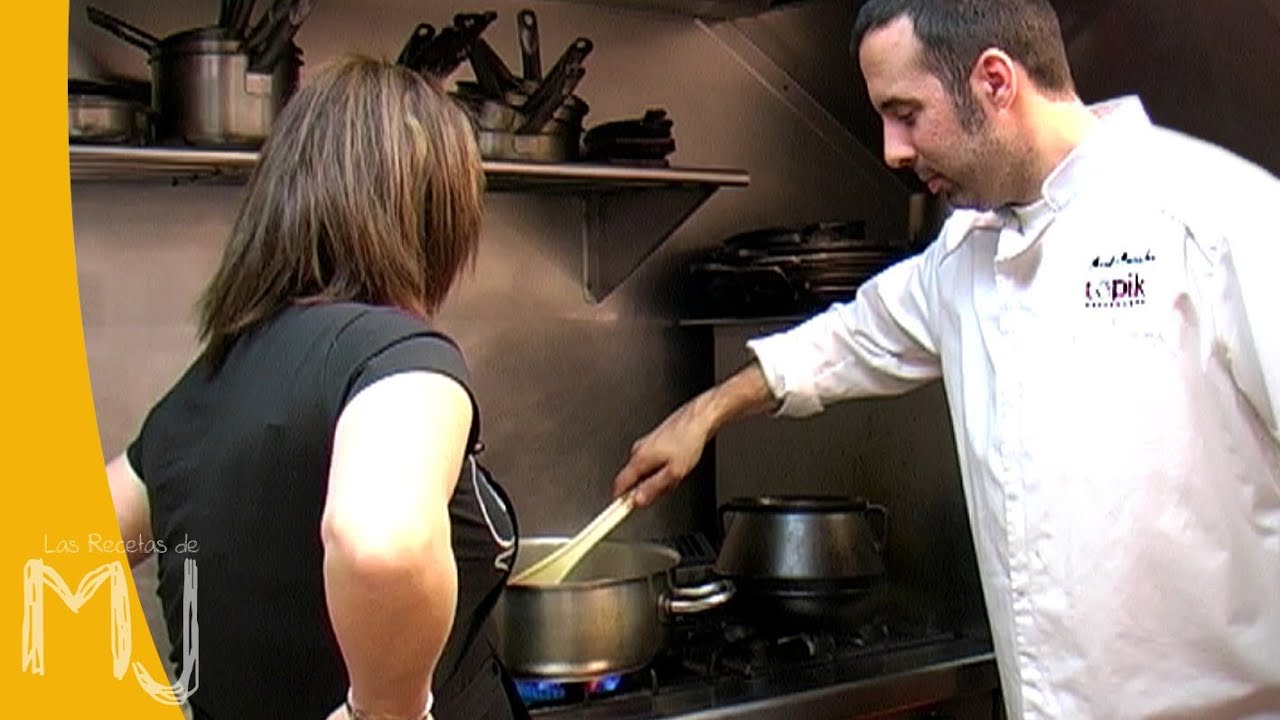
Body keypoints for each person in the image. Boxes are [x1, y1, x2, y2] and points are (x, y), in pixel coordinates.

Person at [612, 1, 1280, 718]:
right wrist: (706, 411)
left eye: (905, 113)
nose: (892, 150)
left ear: (995, 81)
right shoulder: (966, 255)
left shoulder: (1216, 221)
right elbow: (848, 338)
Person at [105, 56, 528, 720]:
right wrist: (383, 711)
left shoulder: (198, 392)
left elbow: (50, 552)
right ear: (431, 216)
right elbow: (382, 545)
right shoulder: (400, 359)